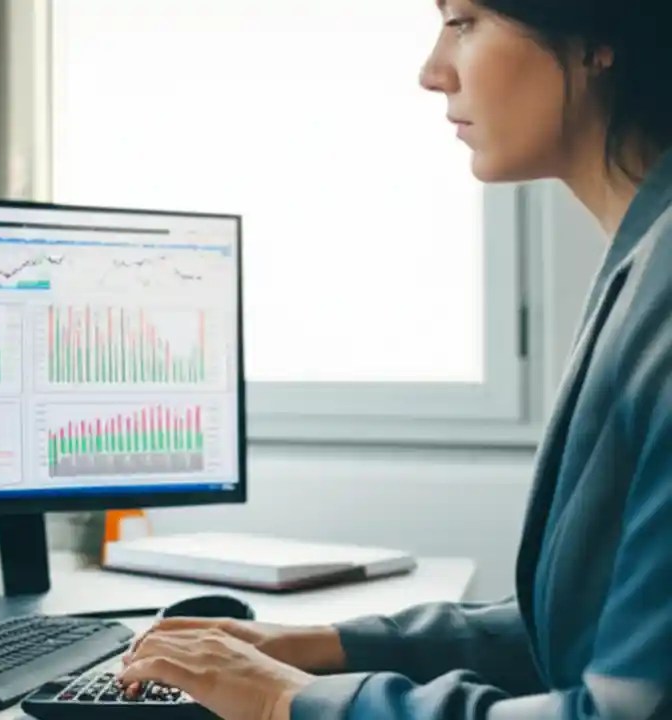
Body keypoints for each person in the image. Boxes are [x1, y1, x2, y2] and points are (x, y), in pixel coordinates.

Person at [118, 0, 672, 718]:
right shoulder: (645, 256)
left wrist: (289, 701)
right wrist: (319, 646)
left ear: (598, 36)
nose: (432, 72)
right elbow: (586, 625)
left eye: (465, 20)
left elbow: (624, 712)